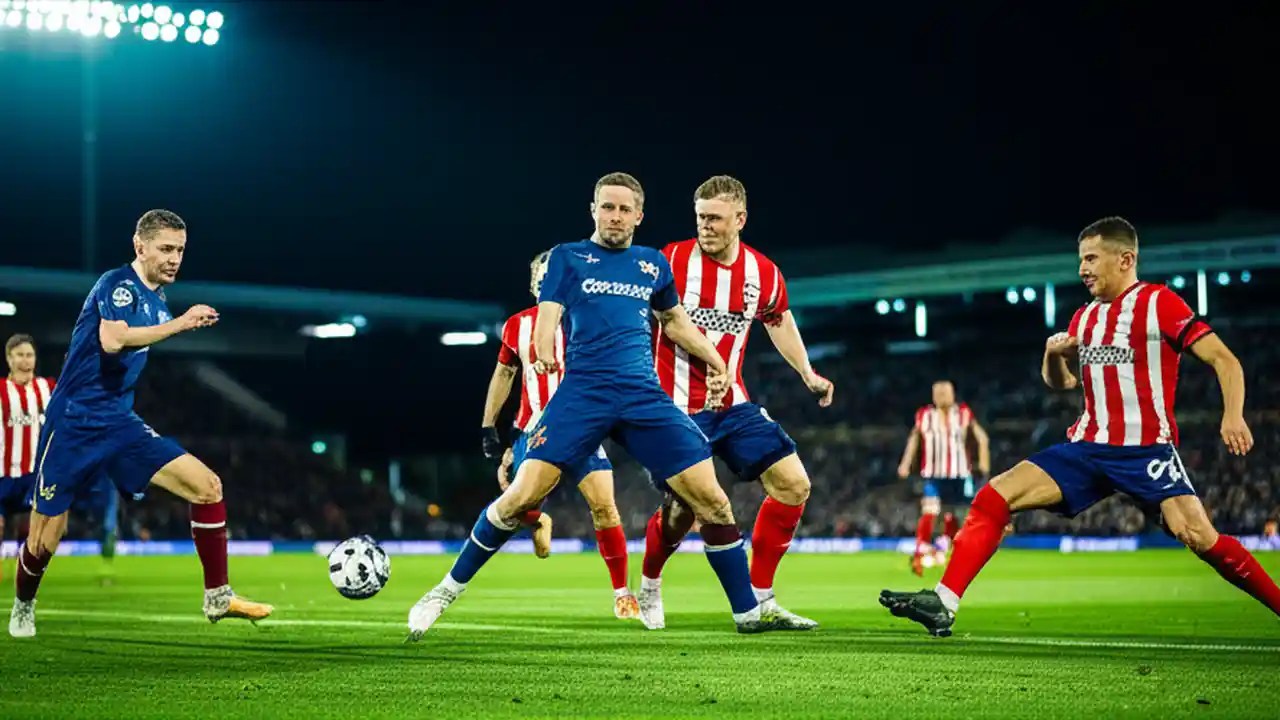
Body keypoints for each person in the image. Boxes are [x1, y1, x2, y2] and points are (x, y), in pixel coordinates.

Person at [408, 172, 808, 639]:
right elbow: (550, 313)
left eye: (624, 209)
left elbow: (676, 323)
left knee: (713, 500)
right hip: (583, 394)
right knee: (518, 498)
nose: (614, 216)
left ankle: (748, 614)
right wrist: (542, 348)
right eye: (606, 207)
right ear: (593, 210)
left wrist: (716, 360)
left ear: (639, 216)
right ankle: (445, 591)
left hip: (643, 395)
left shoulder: (652, 264)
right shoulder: (567, 257)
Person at [880, 216, 1280, 636]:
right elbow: (1063, 384)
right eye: (1080, 259)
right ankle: (944, 601)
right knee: (994, 496)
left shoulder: (1158, 304)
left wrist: (1232, 414)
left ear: (1125, 259)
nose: (1082, 269)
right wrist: (1053, 355)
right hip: (1086, 447)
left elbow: (1225, 360)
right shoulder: (1084, 318)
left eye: (1090, 258)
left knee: (1199, 536)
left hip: (1145, 450)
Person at [8, 209, 272, 638]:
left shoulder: (158, 297)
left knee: (208, 487)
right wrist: (180, 324)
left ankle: (218, 597)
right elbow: (112, 340)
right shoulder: (118, 285)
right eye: (166, 249)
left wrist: (173, 321)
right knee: (44, 541)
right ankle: (23, 603)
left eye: (181, 250)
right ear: (140, 246)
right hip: (74, 421)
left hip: (119, 421)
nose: (174, 259)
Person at [637, 175, 828, 631]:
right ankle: (649, 583)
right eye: (700, 217)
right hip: (674, 408)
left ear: (740, 219)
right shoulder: (672, 260)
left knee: (794, 484)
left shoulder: (763, 272)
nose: (706, 227)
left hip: (732, 404)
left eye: (716, 219)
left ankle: (762, 598)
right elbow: (654, 319)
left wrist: (807, 372)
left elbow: (778, 319)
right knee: (685, 511)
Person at [480, 250, 639, 619]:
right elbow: (504, 375)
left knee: (604, 506)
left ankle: (621, 593)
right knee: (514, 503)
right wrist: (489, 425)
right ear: (535, 284)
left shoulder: (588, 321)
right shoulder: (516, 326)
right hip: (535, 430)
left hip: (582, 427)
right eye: (543, 275)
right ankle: (537, 519)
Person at [896, 380, 990, 575]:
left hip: (960, 472)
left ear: (953, 394)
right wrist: (906, 463)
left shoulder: (963, 413)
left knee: (955, 514)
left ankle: (942, 547)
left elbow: (981, 437)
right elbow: (914, 438)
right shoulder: (924, 416)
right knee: (930, 509)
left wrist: (983, 461)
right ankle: (921, 548)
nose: (941, 396)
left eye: (945, 392)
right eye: (937, 393)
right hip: (933, 473)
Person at [0, 334, 56, 583]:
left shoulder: (48, 388)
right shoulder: (1, 390)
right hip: (2, 473)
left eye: (29, 355)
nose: (25, 361)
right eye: (20, 355)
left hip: (35, 473)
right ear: (9, 358)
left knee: (36, 529)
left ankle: (27, 573)